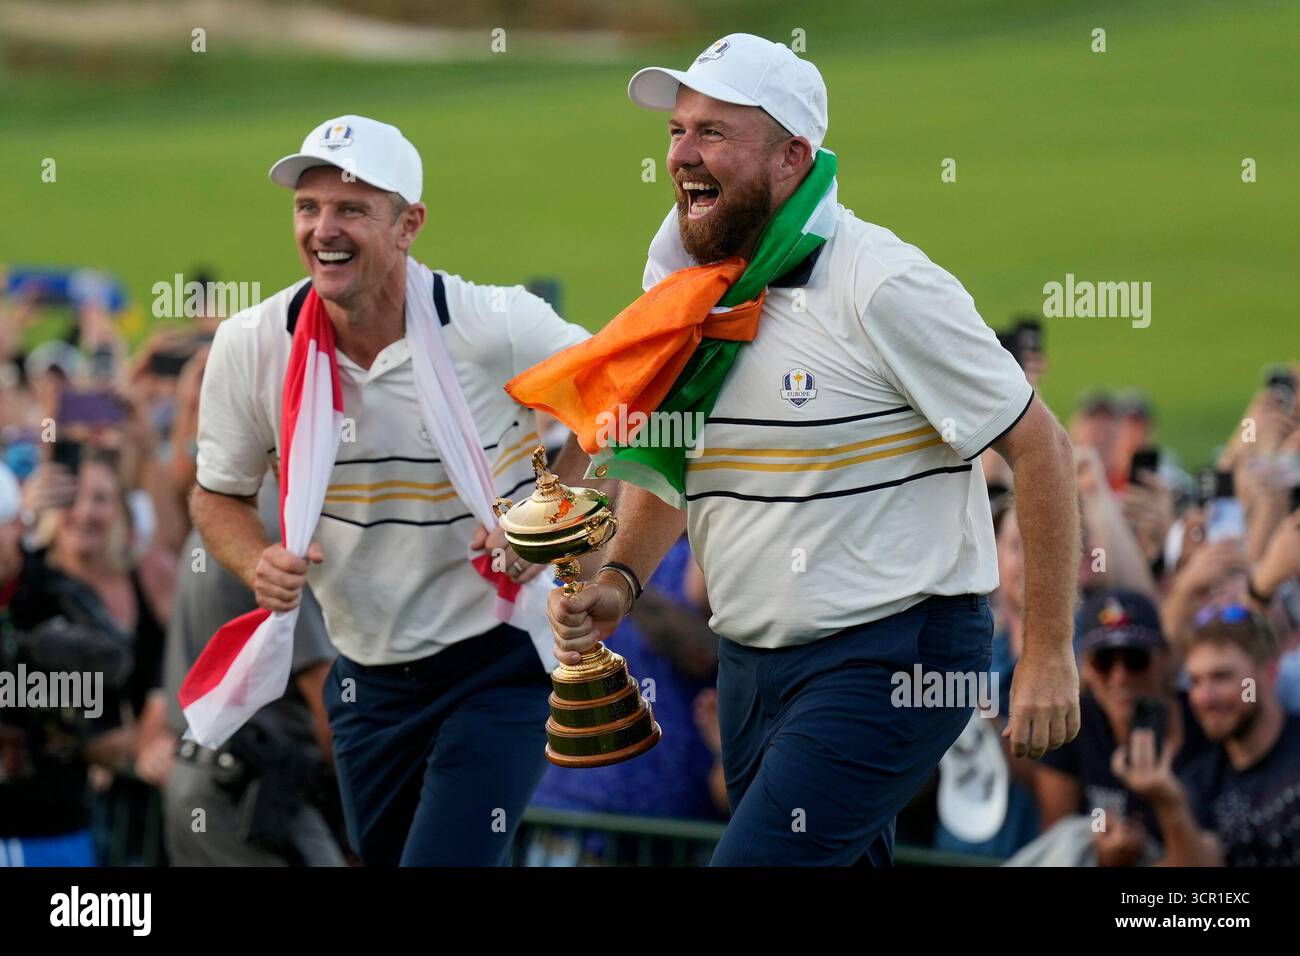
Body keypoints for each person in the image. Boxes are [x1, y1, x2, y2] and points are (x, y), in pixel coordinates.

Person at [534, 34, 1081, 866]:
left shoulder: (884, 285)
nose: (681, 154)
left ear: (792, 156)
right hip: (752, 660)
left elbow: (1041, 447)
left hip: (897, 654)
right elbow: (677, 460)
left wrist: (1047, 652)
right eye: (677, 132)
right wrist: (619, 579)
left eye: (713, 132)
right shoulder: (682, 287)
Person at [191, 114, 592, 865]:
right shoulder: (252, 343)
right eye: (307, 208)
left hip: (501, 661)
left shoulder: (492, 323)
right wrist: (255, 563)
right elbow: (217, 494)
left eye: (351, 209)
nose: (322, 229)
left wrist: (547, 516)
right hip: (365, 681)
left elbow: (627, 408)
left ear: (410, 224)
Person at [1034, 589, 1212, 866]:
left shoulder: (1204, 719)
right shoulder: (1072, 725)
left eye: (1135, 659)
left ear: (1164, 657)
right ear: (1086, 667)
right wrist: (1101, 854)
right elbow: (1058, 845)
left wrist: (1168, 801)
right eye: (1103, 662)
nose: (1120, 677)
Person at [1114, 603, 1300, 865]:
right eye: (1195, 681)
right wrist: (1169, 802)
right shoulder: (1199, 783)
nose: (1204, 697)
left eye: (1221, 677)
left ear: (1269, 674)